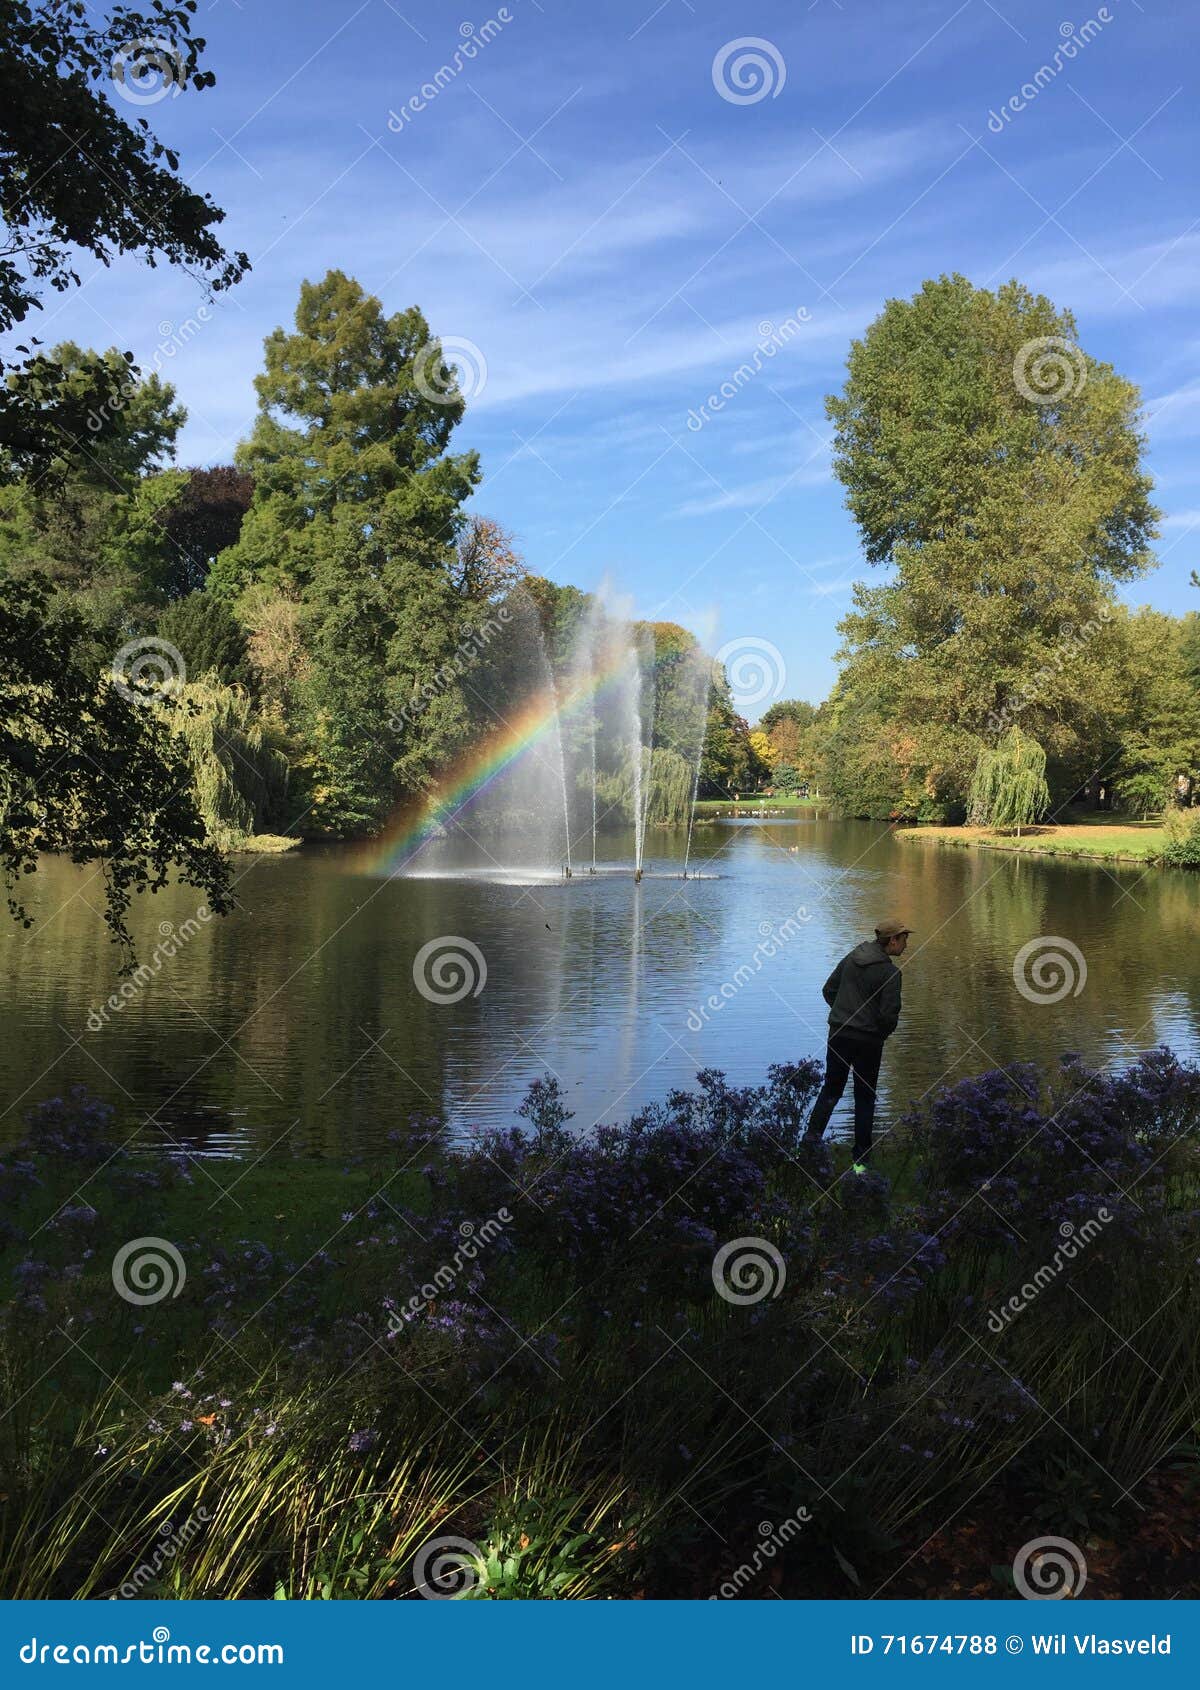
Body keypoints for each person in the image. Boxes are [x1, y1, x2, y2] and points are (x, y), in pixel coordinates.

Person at [803, 919, 910, 1168]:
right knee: (865, 1097)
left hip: (839, 1034)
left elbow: (829, 990)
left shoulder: (852, 957)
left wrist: (844, 1014)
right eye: (904, 939)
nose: (906, 945)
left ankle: (807, 1150)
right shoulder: (891, 974)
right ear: (893, 940)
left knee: (831, 1091)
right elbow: (888, 1017)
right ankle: (861, 1164)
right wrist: (877, 1033)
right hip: (868, 1042)